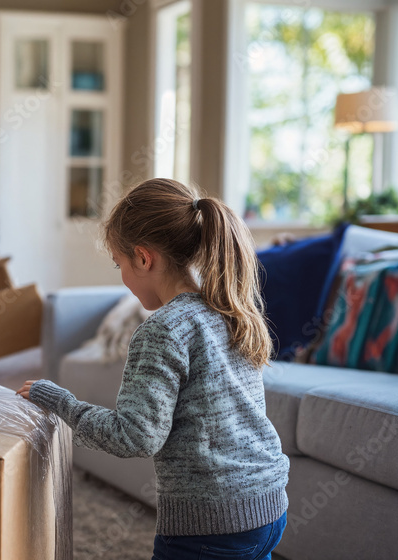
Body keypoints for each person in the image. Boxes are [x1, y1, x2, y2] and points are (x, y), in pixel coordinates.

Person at [18, 179, 290, 560]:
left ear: (144, 259)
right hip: (269, 506)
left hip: (210, 525)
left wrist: (62, 403)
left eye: (120, 264)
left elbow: (135, 436)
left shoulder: (163, 329)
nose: (122, 278)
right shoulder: (229, 309)